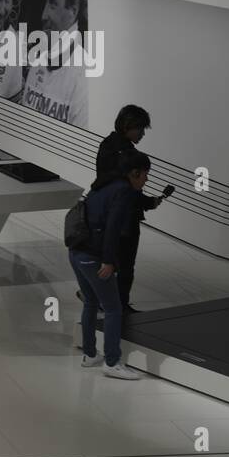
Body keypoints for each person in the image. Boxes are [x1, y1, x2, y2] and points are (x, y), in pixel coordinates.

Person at [69, 149, 152, 380]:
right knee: (114, 309)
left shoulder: (103, 184)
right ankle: (113, 362)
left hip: (76, 252)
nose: (146, 180)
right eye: (145, 175)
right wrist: (108, 261)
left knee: (91, 302)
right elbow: (113, 228)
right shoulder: (123, 191)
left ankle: (89, 354)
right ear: (134, 172)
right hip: (94, 256)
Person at [93, 105, 168, 311]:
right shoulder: (127, 154)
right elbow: (129, 190)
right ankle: (118, 304)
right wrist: (148, 203)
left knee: (112, 259)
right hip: (126, 217)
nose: (142, 133)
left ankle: (98, 296)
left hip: (107, 211)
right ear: (128, 126)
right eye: (140, 128)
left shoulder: (107, 144)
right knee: (125, 265)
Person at [19, 0, 90, 128]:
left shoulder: (85, 80)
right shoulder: (39, 59)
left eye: (52, 4)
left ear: (73, 9)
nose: (43, 15)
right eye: (46, 2)